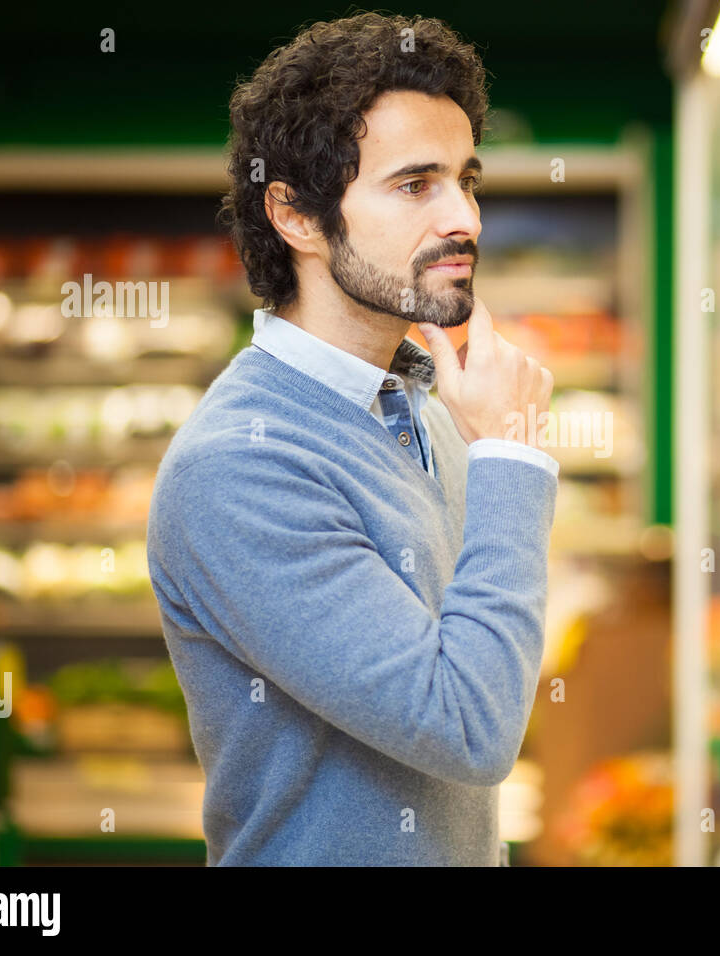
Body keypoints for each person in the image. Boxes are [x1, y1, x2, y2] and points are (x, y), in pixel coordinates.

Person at [146, 12, 558, 866]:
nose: (466, 219)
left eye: (466, 180)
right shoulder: (242, 463)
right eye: (416, 186)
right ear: (295, 216)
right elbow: (467, 727)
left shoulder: (427, 407)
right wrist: (512, 458)